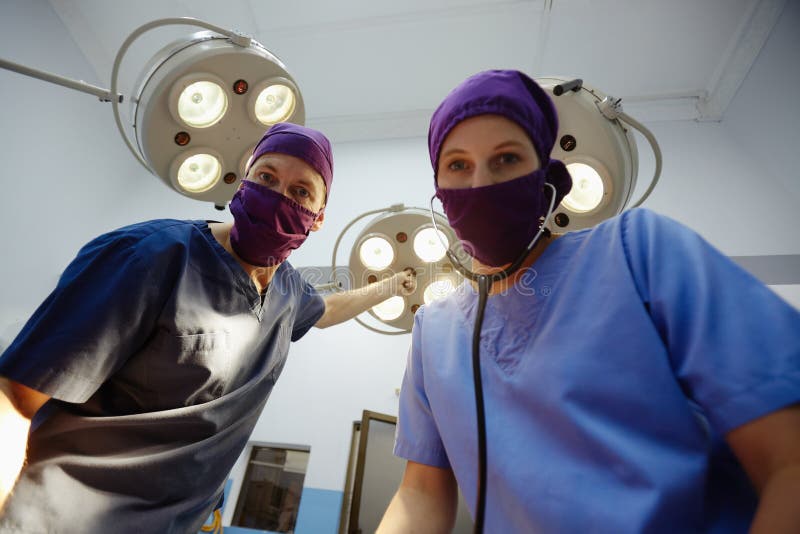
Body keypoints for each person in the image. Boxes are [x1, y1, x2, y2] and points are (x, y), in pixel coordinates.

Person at [378, 70, 800, 533]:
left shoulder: (638, 251)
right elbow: (420, 492)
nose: (481, 182)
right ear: (438, 188)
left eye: (506, 159)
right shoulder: (434, 330)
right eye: (458, 165)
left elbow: (788, 454)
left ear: (546, 178)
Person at [0, 122, 415, 533]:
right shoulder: (148, 256)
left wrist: (389, 288)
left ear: (319, 218)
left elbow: (326, 309)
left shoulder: (288, 291)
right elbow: (15, 397)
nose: (278, 197)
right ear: (241, 184)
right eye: (266, 177)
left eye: (300, 191)